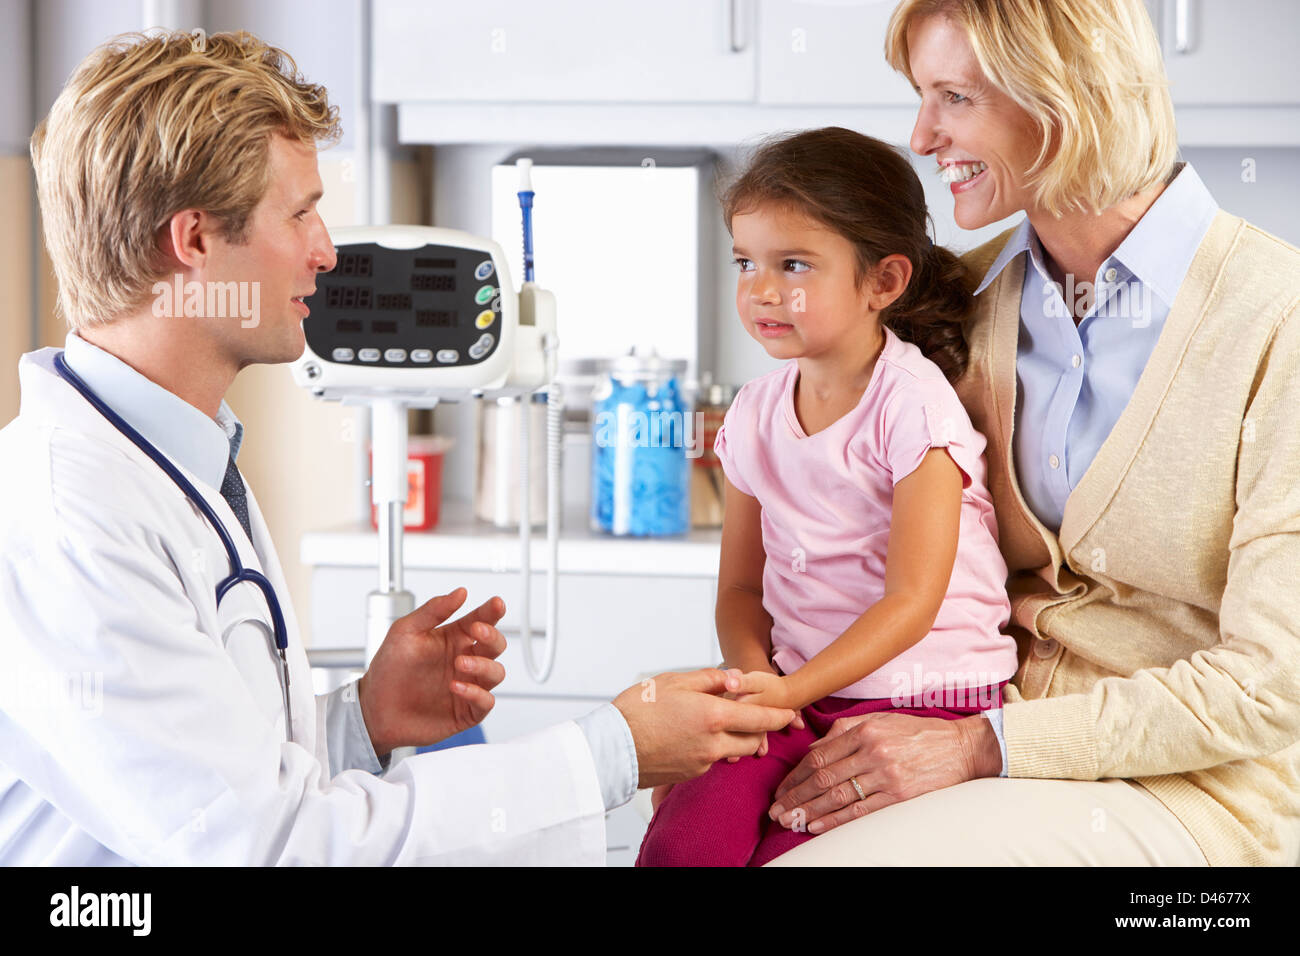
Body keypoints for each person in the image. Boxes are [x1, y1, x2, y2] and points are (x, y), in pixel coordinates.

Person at [0, 30, 795, 866]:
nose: (326, 250)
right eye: (300, 212)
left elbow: (233, 787)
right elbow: (266, 848)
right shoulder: (66, 519)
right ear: (194, 241)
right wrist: (614, 753)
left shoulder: (178, 460)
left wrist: (364, 718)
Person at [759, 0, 1300, 866]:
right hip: (957, 738)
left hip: (1192, 796)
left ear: (1065, 96)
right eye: (921, 96)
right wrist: (752, 710)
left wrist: (988, 743)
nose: (923, 135)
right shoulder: (960, 305)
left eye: (954, 98)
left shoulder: (1279, 321)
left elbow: (1275, 683)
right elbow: (849, 545)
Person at [635, 127, 1017, 867]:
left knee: (789, 850)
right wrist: (755, 688)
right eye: (746, 261)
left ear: (882, 282)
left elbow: (912, 603)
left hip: (925, 698)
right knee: (688, 837)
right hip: (798, 692)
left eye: (795, 264)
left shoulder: (913, 409)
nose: (762, 290)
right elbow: (742, 588)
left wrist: (788, 693)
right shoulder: (753, 412)